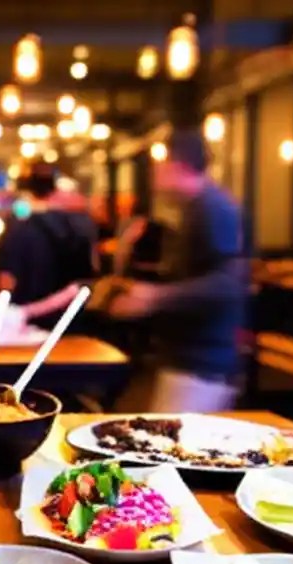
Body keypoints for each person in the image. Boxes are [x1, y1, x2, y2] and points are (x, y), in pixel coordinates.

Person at [107, 129, 249, 412]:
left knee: (171, 441)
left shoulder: (213, 209)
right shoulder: (198, 208)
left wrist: (154, 296)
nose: (154, 175)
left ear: (178, 165)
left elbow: (228, 284)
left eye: (159, 166)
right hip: (190, 360)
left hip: (202, 363)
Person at [0, 163, 98, 327]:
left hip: (29, 323)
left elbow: (6, 281)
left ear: (28, 190)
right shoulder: (83, 224)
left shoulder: (19, 229)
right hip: (73, 318)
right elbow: (92, 271)